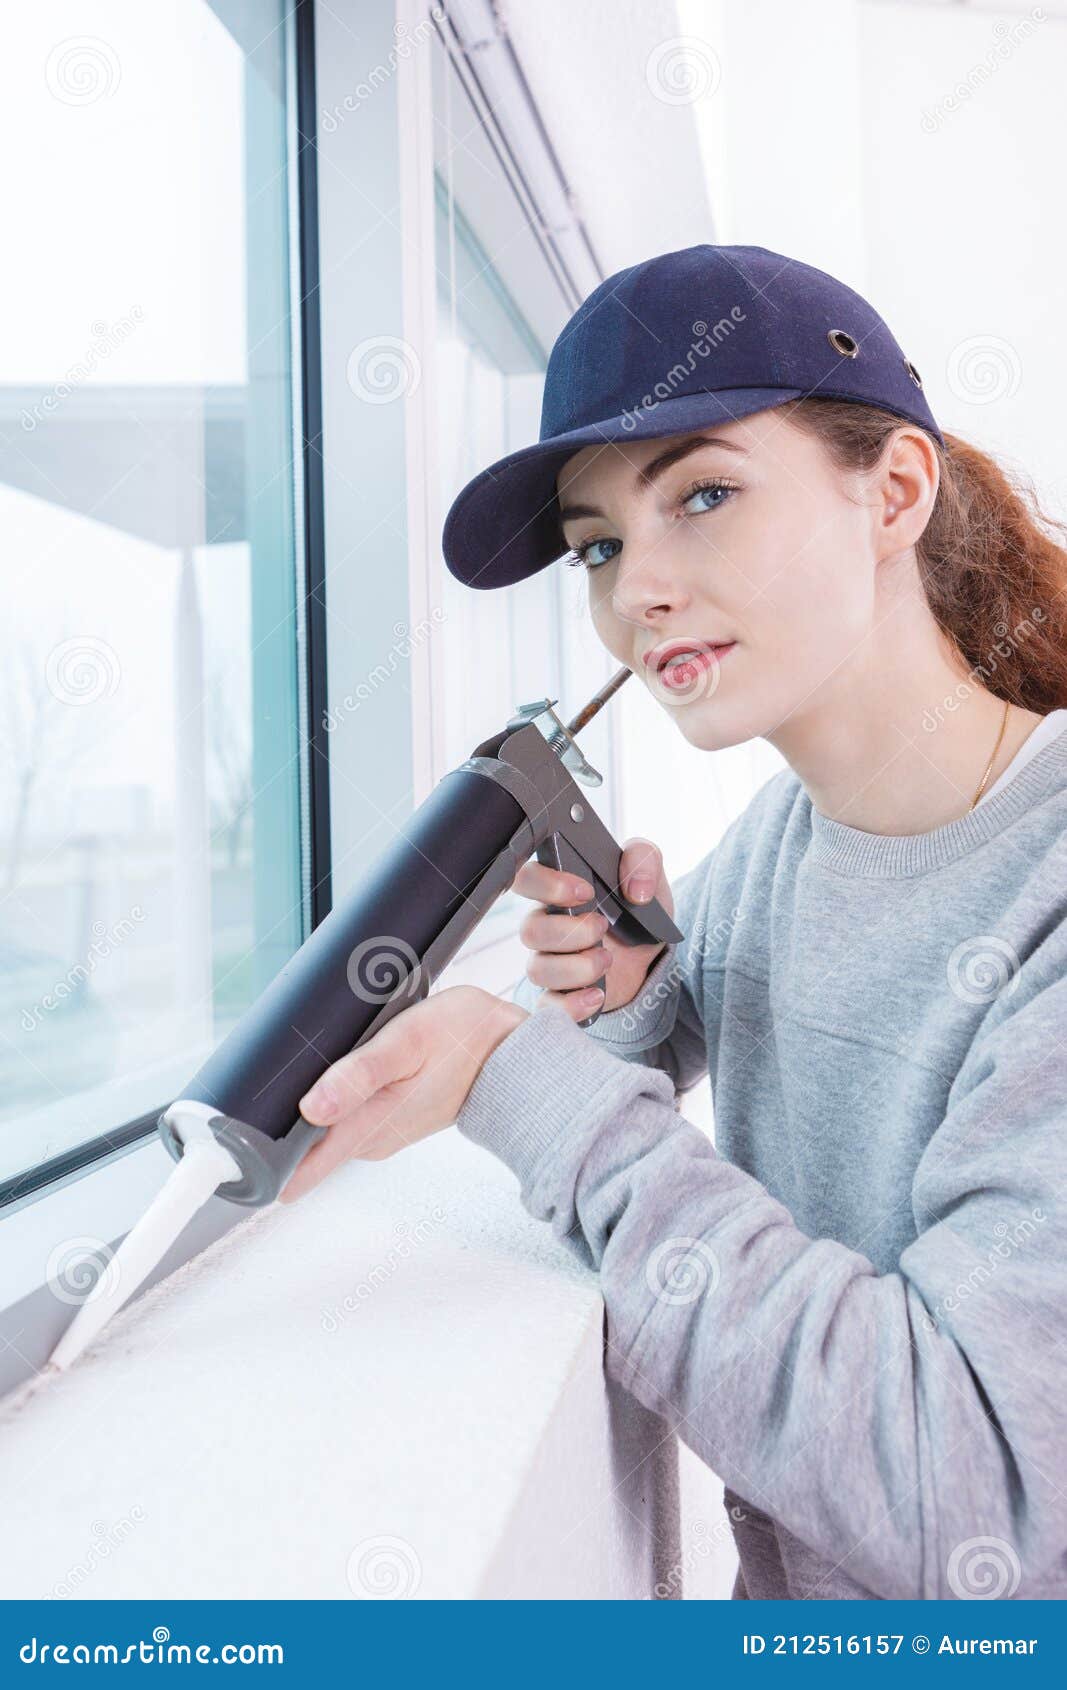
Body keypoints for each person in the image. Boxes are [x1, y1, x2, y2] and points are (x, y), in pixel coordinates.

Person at [281, 246, 1067, 1601]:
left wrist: (515, 1076)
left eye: (702, 493)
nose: (634, 592)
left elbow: (974, 1486)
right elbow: (729, 1003)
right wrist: (642, 998)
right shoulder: (779, 840)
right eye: (599, 543)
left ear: (893, 491)